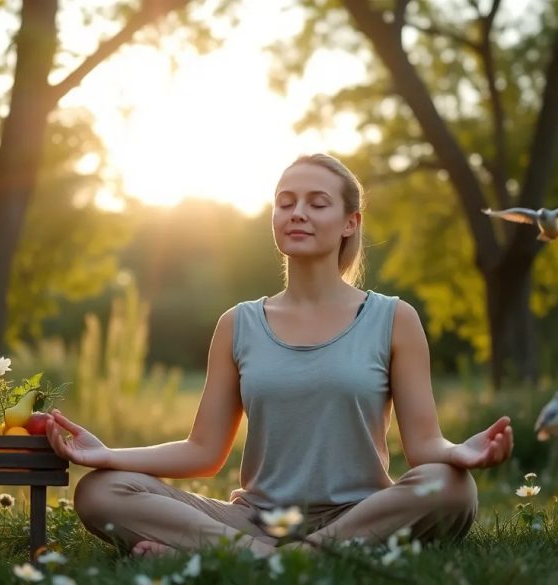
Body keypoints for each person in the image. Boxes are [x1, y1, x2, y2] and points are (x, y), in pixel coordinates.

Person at [45, 153, 514, 558]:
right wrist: (107, 455)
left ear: (350, 222)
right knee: (102, 491)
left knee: (452, 489)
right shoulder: (238, 324)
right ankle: (282, 560)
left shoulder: (393, 318)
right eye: (285, 202)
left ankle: (252, 563)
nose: (298, 213)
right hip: (257, 522)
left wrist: (460, 453)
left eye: (317, 203)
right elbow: (204, 452)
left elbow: (424, 447)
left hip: (360, 515)